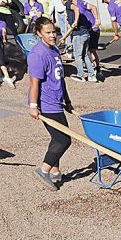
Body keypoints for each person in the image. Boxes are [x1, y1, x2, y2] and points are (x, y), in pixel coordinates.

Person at [25, 16, 72, 191]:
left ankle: (55, 171)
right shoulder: (38, 54)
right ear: (39, 33)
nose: (53, 35)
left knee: (57, 138)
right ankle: (44, 169)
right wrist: (33, 106)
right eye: (48, 32)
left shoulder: (54, 50)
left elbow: (60, 78)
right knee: (63, 139)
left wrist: (67, 99)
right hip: (46, 104)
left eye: (54, 32)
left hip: (57, 101)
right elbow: (34, 83)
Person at [61, 0, 100, 84]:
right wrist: (65, 37)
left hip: (79, 35)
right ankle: (92, 75)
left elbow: (76, 9)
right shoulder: (70, 7)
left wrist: (75, 21)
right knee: (85, 55)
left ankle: (80, 75)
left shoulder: (67, 4)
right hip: (86, 33)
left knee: (78, 55)